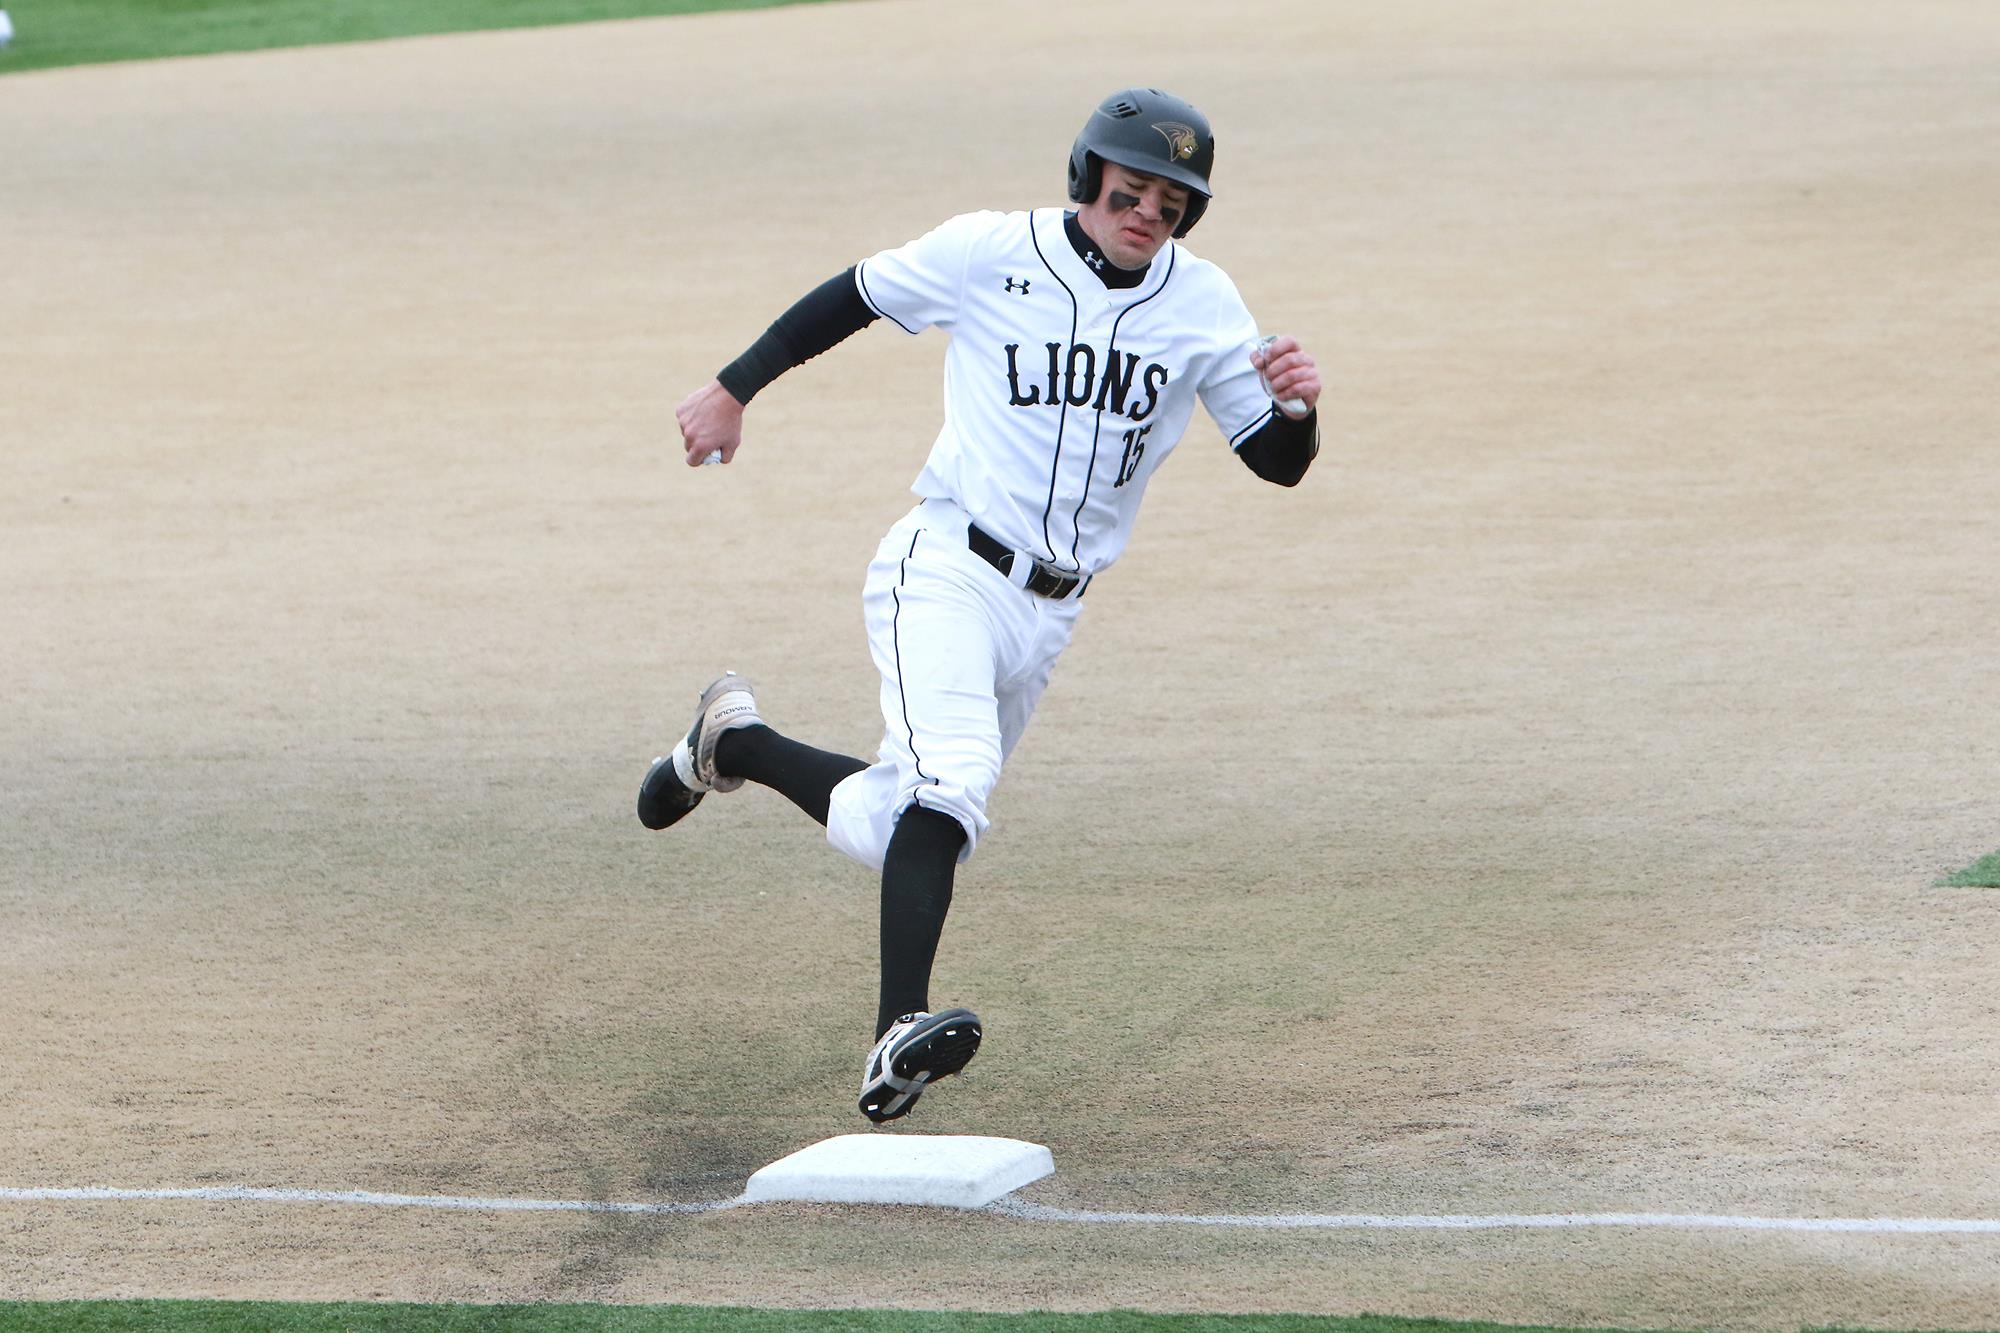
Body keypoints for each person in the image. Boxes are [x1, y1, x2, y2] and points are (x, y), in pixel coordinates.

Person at [642, 87, 1321, 1124]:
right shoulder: (989, 251)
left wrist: (1296, 409)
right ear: (1086, 177)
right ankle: (893, 1037)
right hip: (945, 566)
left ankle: (732, 745)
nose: (1145, 213)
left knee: (907, 825)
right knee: (949, 788)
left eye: (1170, 204)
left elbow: (1274, 465)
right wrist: (733, 387)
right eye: (1129, 189)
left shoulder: (1203, 305)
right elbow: (855, 294)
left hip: (1050, 615)